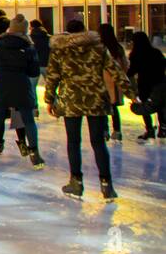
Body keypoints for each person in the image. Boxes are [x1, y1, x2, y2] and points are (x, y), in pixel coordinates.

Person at [45, 19, 132, 201]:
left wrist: (49, 99)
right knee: (98, 142)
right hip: (96, 99)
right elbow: (116, 71)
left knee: (73, 142)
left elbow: (52, 76)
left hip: (71, 100)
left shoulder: (60, 50)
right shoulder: (98, 48)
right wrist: (131, 93)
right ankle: (107, 185)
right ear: (84, 30)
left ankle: (76, 182)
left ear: (67, 32)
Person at [0, 15, 43, 168]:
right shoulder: (28, 46)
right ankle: (34, 152)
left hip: (1, 84)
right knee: (28, 119)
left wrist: (0, 71)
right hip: (21, 85)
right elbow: (34, 71)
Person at [127, 31, 166, 140]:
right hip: (159, 83)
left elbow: (131, 71)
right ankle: (163, 128)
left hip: (145, 85)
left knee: (145, 107)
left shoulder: (136, 55)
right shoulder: (156, 53)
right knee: (159, 105)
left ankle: (149, 130)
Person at [99, 23, 129, 143]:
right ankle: (117, 130)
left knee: (103, 107)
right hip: (115, 81)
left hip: (102, 80)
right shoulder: (117, 47)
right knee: (113, 107)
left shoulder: (100, 48)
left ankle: (104, 130)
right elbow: (125, 64)